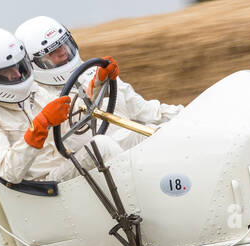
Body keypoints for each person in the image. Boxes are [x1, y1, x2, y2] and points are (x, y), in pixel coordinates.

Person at [0, 27, 116, 183]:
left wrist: (99, 82)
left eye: (19, 66)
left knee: (125, 136)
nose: (17, 74)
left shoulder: (31, 90)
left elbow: (76, 118)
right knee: (102, 146)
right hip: (43, 184)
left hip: (66, 161)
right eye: (6, 72)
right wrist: (41, 125)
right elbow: (9, 172)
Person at [14, 15, 181, 152]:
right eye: (52, 52)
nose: (63, 52)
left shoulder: (94, 72)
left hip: (139, 144)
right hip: (103, 164)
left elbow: (147, 111)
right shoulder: (38, 101)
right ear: (33, 63)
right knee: (148, 137)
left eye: (64, 45)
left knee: (171, 127)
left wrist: (187, 114)